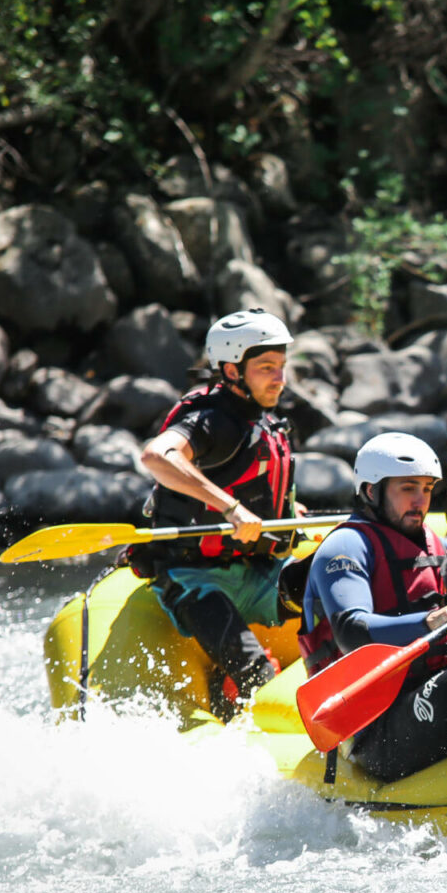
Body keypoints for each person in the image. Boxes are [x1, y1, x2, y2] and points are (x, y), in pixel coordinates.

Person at [298, 432, 447, 781]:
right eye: (408, 488)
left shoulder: (437, 545)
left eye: (426, 488)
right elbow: (352, 632)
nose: (421, 500)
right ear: (372, 491)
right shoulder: (345, 546)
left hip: (425, 691)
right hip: (374, 731)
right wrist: (432, 620)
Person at [135, 308, 299, 718]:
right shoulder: (210, 419)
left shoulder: (263, 419)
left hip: (260, 571)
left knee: (331, 588)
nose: (279, 378)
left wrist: (288, 510)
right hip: (196, 579)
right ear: (231, 369)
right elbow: (157, 455)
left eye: (281, 366)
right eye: (266, 368)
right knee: (256, 674)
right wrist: (230, 508)